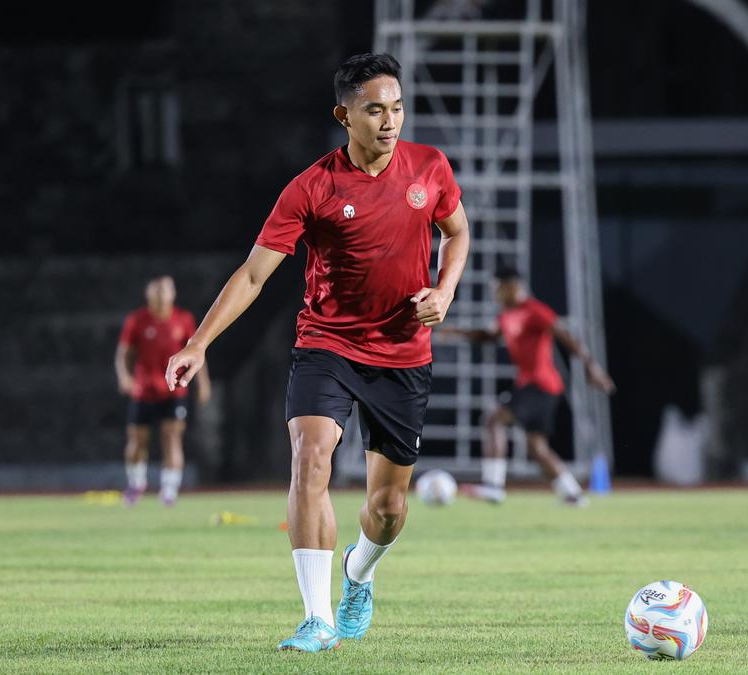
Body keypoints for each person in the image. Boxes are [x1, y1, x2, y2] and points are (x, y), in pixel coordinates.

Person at [163, 53, 470, 653]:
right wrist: (199, 343)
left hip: (404, 352)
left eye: (397, 107)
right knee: (311, 456)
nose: (390, 121)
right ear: (344, 116)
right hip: (327, 344)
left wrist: (445, 289)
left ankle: (359, 571)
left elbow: (456, 231)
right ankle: (316, 618)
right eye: (375, 110)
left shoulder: (430, 167)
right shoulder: (313, 187)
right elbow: (253, 277)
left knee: (388, 508)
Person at [443, 267, 615, 506]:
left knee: (494, 420)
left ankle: (493, 486)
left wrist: (591, 367)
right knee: (536, 447)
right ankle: (573, 494)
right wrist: (458, 332)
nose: (495, 295)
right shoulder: (506, 315)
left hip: (541, 384)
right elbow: (490, 337)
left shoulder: (534, 310)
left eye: (497, 289)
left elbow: (565, 336)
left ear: (513, 286)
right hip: (533, 385)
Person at [115, 275, 210, 507]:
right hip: (143, 390)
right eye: (156, 291)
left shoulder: (183, 319)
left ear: (173, 294)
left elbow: (197, 352)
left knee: (172, 438)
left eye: (165, 291)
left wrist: (203, 383)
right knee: (137, 441)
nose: (160, 296)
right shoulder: (137, 320)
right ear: (148, 295)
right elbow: (122, 353)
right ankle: (136, 484)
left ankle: (169, 490)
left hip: (173, 391)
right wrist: (124, 376)